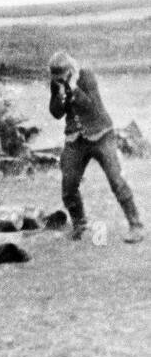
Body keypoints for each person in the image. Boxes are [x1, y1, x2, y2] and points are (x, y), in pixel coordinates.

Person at [48, 51, 143, 243]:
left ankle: (136, 225)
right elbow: (56, 113)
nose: (60, 79)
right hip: (76, 138)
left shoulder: (86, 76)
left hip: (101, 134)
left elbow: (92, 107)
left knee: (116, 180)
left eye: (63, 75)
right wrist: (59, 96)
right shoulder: (56, 82)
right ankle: (79, 223)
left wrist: (74, 89)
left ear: (71, 70)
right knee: (68, 185)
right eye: (56, 77)